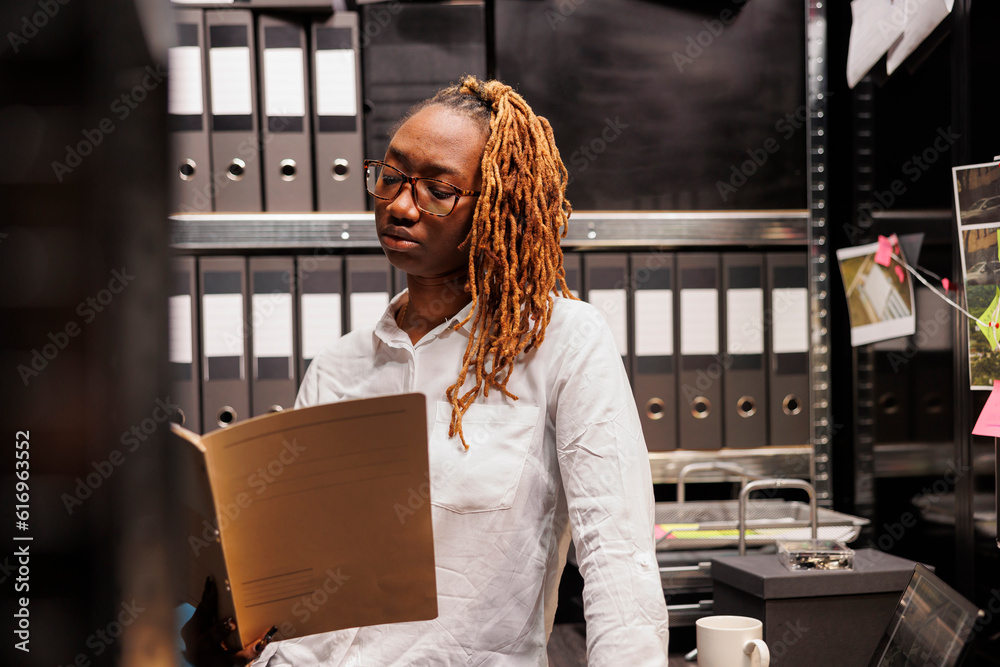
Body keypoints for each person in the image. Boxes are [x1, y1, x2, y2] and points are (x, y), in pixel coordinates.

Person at [185, 76, 669, 666]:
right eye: (390, 176)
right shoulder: (338, 366)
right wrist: (242, 635)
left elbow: (620, 562)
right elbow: (303, 592)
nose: (400, 205)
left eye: (439, 189)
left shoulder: (562, 343)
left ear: (496, 206)